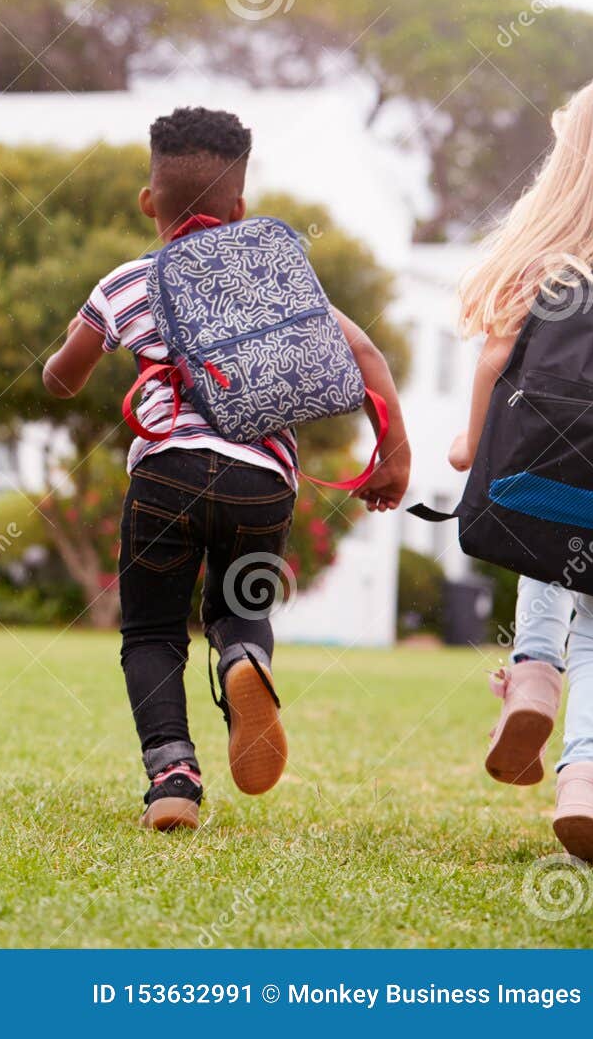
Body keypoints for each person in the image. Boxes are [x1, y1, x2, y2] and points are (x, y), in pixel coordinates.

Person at [42, 107, 411, 832]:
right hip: (263, 482)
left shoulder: (127, 281)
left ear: (149, 202)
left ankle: (173, 773)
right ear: (240, 207)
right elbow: (366, 355)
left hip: (166, 476)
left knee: (151, 632)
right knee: (242, 606)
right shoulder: (276, 283)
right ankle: (244, 655)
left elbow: (64, 376)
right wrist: (392, 456)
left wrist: (71, 352)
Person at [451, 76, 593, 859]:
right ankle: (588, 778)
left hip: (543, 490)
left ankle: (534, 672)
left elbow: (490, 361)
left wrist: (469, 441)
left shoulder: (548, 266)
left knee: (546, 520)